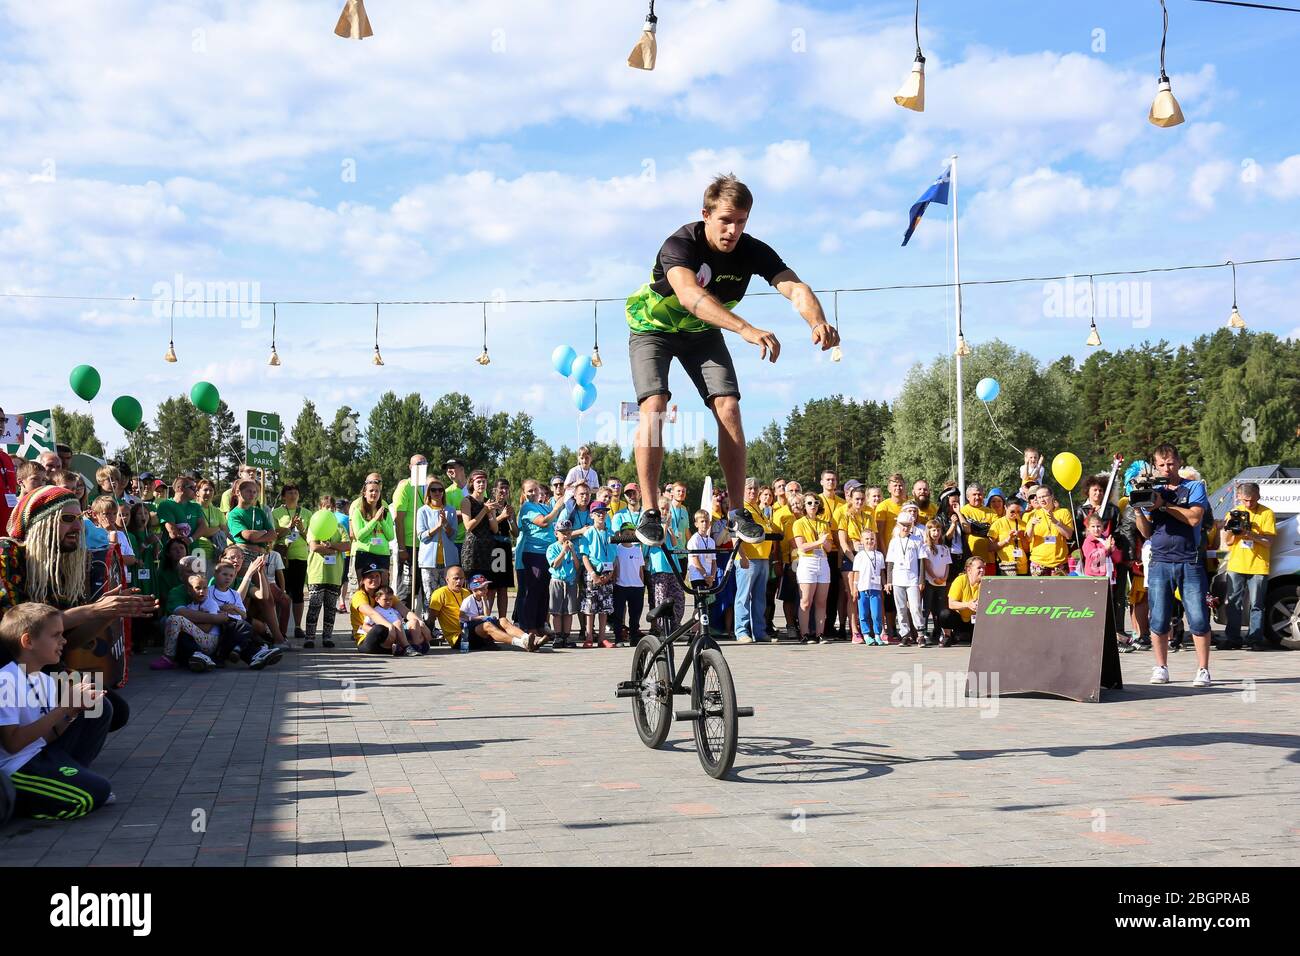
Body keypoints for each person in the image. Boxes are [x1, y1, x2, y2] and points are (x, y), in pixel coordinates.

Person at [624, 174, 838, 549]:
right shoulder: (680, 243)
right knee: (654, 406)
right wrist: (745, 329)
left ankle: (738, 512)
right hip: (653, 328)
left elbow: (796, 287)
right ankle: (649, 509)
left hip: (702, 334)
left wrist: (816, 320)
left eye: (741, 222)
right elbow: (691, 297)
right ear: (705, 214)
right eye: (725, 220)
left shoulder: (751, 250)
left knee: (730, 407)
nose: (733, 230)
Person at [0, 603, 115, 820]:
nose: (64, 641)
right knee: (92, 795)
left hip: (41, 754)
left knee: (97, 709)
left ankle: (72, 776)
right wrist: (64, 707)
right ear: (28, 641)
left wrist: (72, 711)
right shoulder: (5, 681)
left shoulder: (44, 679)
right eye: (56, 635)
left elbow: (48, 735)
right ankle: (18, 802)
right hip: (17, 769)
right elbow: (13, 744)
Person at [1132, 444, 1213, 686]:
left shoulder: (1194, 487)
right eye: (1161, 465)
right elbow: (1146, 533)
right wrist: (1138, 511)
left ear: (1178, 462)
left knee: (1198, 618)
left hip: (1190, 559)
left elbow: (1194, 518)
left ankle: (1203, 669)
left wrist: (1164, 506)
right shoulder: (1152, 490)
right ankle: (1161, 667)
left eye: (1170, 463)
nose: (1167, 469)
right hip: (1159, 561)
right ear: (1155, 467)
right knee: (1158, 618)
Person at [1221, 481, 1276, 651]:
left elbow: (1269, 542)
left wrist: (1251, 534)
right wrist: (1232, 530)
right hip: (1237, 565)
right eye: (1245, 500)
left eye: (1252, 500)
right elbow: (1228, 542)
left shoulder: (1267, 513)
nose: (1249, 504)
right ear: (1238, 497)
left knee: (1256, 604)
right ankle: (1233, 639)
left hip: (1258, 566)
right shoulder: (1233, 513)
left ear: (1258, 496)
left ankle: (1255, 639)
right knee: (1233, 603)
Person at [351, 557, 433, 655]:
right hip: (367, 639)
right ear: (363, 580)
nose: (374, 579)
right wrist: (390, 626)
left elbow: (405, 611)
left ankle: (414, 647)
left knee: (414, 623)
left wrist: (421, 623)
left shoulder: (384, 594)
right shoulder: (359, 595)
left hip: (390, 633)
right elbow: (372, 614)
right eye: (370, 577)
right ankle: (405, 647)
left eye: (377, 576)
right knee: (380, 628)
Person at [303, 495, 351, 649]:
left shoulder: (339, 527)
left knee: (331, 608)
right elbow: (314, 547)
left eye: (331, 507)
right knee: (314, 606)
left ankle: (327, 637)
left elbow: (347, 545)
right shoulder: (314, 525)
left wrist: (332, 545)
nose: (329, 509)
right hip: (317, 573)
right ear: (320, 508)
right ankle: (309, 637)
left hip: (334, 574)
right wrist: (333, 548)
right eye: (326, 506)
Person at [459, 573, 548, 651]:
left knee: (503, 620)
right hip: (469, 631)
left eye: (486, 588)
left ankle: (530, 639)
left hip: (480, 625)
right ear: (474, 590)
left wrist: (484, 602)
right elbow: (461, 617)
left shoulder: (484, 599)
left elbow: (486, 615)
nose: (486, 590)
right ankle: (522, 643)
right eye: (482, 588)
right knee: (487, 625)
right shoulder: (468, 601)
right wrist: (476, 618)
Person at [734, 478, 776, 644]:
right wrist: (742, 556)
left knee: (760, 598)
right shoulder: (741, 509)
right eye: (749, 488)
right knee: (743, 596)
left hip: (763, 557)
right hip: (748, 558)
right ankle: (741, 631)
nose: (752, 491)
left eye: (755, 489)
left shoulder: (759, 509)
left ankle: (759, 631)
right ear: (743, 490)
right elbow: (734, 534)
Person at [791, 493, 833, 644]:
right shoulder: (799, 523)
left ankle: (820, 633)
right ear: (804, 505)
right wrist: (819, 541)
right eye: (809, 503)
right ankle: (805, 634)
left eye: (816, 502)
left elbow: (828, 547)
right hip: (807, 562)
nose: (813, 505)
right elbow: (801, 546)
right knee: (806, 601)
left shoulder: (824, 523)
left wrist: (824, 542)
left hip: (822, 561)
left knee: (821, 602)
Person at [271, 484, 312, 638]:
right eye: (289, 493)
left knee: (298, 592)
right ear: (283, 496)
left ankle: (297, 627)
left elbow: (312, 538)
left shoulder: (307, 513)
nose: (293, 495)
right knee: (282, 592)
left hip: (300, 556)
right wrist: (288, 527)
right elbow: (272, 534)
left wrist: (301, 529)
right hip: (281, 557)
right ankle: (280, 628)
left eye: (296, 492)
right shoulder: (276, 513)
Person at [835, 483, 873, 643]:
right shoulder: (844, 515)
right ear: (850, 499)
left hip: (867, 557)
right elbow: (843, 543)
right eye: (857, 499)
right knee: (853, 595)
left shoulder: (868, 515)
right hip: (851, 558)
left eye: (862, 499)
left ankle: (867, 628)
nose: (859, 502)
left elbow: (872, 537)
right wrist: (855, 559)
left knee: (868, 593)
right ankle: (854, 631)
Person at [391, 453, 430, 607]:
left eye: (424, 463)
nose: (421, 466)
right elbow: (398, 520)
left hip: (426, 545)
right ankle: (404, 622)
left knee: (423, 587)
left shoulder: (428, 487)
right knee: (406, 588)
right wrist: (401, 548)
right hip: (408, 544)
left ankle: (423, 624)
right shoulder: (405, 487)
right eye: (417, 464)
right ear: (410, 467)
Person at [885, 506, 926, 646]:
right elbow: (890, 562)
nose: (905, 528)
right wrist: (889, 580)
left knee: (915, 607)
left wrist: (921, 580)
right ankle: (905, 634)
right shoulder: (894, 541)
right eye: (903, 525)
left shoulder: (916, 540)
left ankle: (920, 633)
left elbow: (922, 561)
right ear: (898, 525)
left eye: (908, 525)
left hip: (913, 579)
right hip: (898, 579)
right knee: (901, 608)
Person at [578, 502, 616, 648]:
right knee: (590, 606)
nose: (601, 515)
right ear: (592, 515)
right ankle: (589, 637)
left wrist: (610, 574)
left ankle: (602, 638)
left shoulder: (610, 534)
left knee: (604, 606)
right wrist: (593, 574)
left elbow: (615, 556)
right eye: (598, 512)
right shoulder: (588, 533)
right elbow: (584, 556)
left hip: (607, 573)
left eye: (604, 512)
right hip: (592, 572)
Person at [417, 481, 461, 604]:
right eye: (433, 490)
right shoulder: (422, 511)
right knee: (430, 598)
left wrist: (446, 524)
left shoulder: (450, 510)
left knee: (448, 597)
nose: (437, 493)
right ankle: (429, 622)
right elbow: (421, 536)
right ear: (429, 493)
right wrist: (437, 526)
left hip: (448, 562)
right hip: (429, 562)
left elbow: (453, 536)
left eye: (440, 490)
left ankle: (446, 622)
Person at [459, 469, 500, 584]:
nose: (481, 484)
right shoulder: (467, 501)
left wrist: (490, 514)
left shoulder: (488, 501)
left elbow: (495, 529)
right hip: (472, 548)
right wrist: (484, 510)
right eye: (478, 482)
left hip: (487, 548)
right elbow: (468, 526)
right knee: (472, 584)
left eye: (484, 481)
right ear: (472, 483)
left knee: (485, 585)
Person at [612, 512, 646, 647]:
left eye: (631, 533)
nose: (629, 535)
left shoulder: (637, 549)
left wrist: (642, 584)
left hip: (636, 586)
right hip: (621, 585)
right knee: (618, 614)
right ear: (620, 534)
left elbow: (640, 569)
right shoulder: (617, 549)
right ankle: (618, 638)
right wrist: (614, 580)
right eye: (626, 533)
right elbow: (615, 566)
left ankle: (634, 637)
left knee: (635, 615)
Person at [350, 473, 394, 577]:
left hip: (383, 554)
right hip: (364, 554)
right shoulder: (357, 510)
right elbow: (358, 536)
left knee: (382, 591)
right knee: (364, 590)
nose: (374, 493)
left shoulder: (385, 510)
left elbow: (391, 536)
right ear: (364, 493)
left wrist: (382, 520)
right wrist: (375, 520)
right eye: (371, 490)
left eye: (377, 490)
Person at [157, 476, 214, 553]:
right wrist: (186, 542)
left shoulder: (195, 506)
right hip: (173, 555)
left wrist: (190, 540)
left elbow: (203, 527)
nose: (195, 491)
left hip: (193, 553)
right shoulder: (166, 505)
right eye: (192, 488)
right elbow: (173, 533)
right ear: (180, 488)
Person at [1026, 487, 1073, 577]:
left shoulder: (1063, 512)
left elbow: (1068, 535)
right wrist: (1031, 525)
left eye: (1044, 496)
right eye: (1039, 497)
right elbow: (1028, 538)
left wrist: (1056, 522)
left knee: (1059, 591)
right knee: (1038, 591)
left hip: (1059, 562)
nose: (1041, 500)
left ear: (1052, 496)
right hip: (1038, 562)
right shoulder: (1033, 514)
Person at [371, 585, 431, 655]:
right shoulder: (375, 611)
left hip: (402, 629)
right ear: (377, 599)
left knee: (414, 621)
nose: (388, 602)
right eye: (385, 600)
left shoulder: (394, 610)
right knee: (397, 623)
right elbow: (366, 625)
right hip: (391, 632)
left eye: (390, 599)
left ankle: (416, 646)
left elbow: (402, 621)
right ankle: (406, 647)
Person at [939, 556, 985, 646]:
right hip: (960, 619)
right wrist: (968, 604)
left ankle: (968, 636)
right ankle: (947, 636)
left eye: (983, 568)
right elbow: (951, 604)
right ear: (969, 570)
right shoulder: (960, 580)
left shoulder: (987, 582)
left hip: (977, 621)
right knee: (945, 614)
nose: (982, 570)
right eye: (979, 568)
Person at [546, 530, 580, 647]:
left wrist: (573, 552)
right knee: (556, 612)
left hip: (570, 582)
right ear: (556, 534)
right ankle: (558, 636)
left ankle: (566, 636)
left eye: (568, 533)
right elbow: (555, 564)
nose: (566, 536)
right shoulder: (552, 547)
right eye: (563, 533)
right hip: (557, 581)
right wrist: (563, 551)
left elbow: (577, 566)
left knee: (568, 612)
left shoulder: (572, 547)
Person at [852, 529, 886, 645]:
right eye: (866, 539)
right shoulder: (859, 556)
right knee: (863, 613)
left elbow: (881, 572)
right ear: (861, 540)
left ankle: (877, 634)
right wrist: (855, 587)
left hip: (875, 588)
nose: (869, 541)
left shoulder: (879, 555)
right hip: (862, 588)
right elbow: (856, 573)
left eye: (872, 539)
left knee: (876, 613)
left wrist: (884, 583)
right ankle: (866, 634)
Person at [487, 478, 515, 618]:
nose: (504, 491)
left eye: (506, 488)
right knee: (491, 587)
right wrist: (502, 516)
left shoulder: (509, 508)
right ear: (494, 490)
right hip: (493, 548)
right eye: (501, 488)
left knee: (503, 587)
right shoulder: (489, 506)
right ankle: (487, 619)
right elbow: (487, 527)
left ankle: (503, 620)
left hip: (505, 547)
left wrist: (510, 518)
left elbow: (515, 532)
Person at [921, 519, 952, 646]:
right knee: (927, 608)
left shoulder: (944, 548)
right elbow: (926, 564)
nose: (936, 532)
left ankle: (940, 632)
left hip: (942, 583)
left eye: (938, 530)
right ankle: (923, 633)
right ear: (928, 532)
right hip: (930, 582)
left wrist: (944, 578)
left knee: (940, 610)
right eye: (933, 530)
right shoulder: (925, 548)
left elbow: (947, 564)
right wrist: (934, 577)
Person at [990, 497, 1029, 576]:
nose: (1015, 514)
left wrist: (1022, 538)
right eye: (1012, 511)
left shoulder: (1024, 524)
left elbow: (1027, 550)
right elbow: (990, 547)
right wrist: (1006, 540)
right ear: (1005, 507)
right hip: (1006, 567)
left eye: (1018, 512)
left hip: (1022, 567)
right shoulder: (998, 523)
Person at [1081, 513, 1122, 580]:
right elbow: (1093, 558)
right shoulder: (1088, 541)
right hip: (1094, 577)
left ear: (1103, 527)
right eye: (1093, 526)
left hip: (1109, 575)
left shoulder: (1106, 540)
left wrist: (1113, 549)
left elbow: (1118, 559)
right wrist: (1105, 548)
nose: (1096, 529)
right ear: (1088, 528)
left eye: (1098, 526)